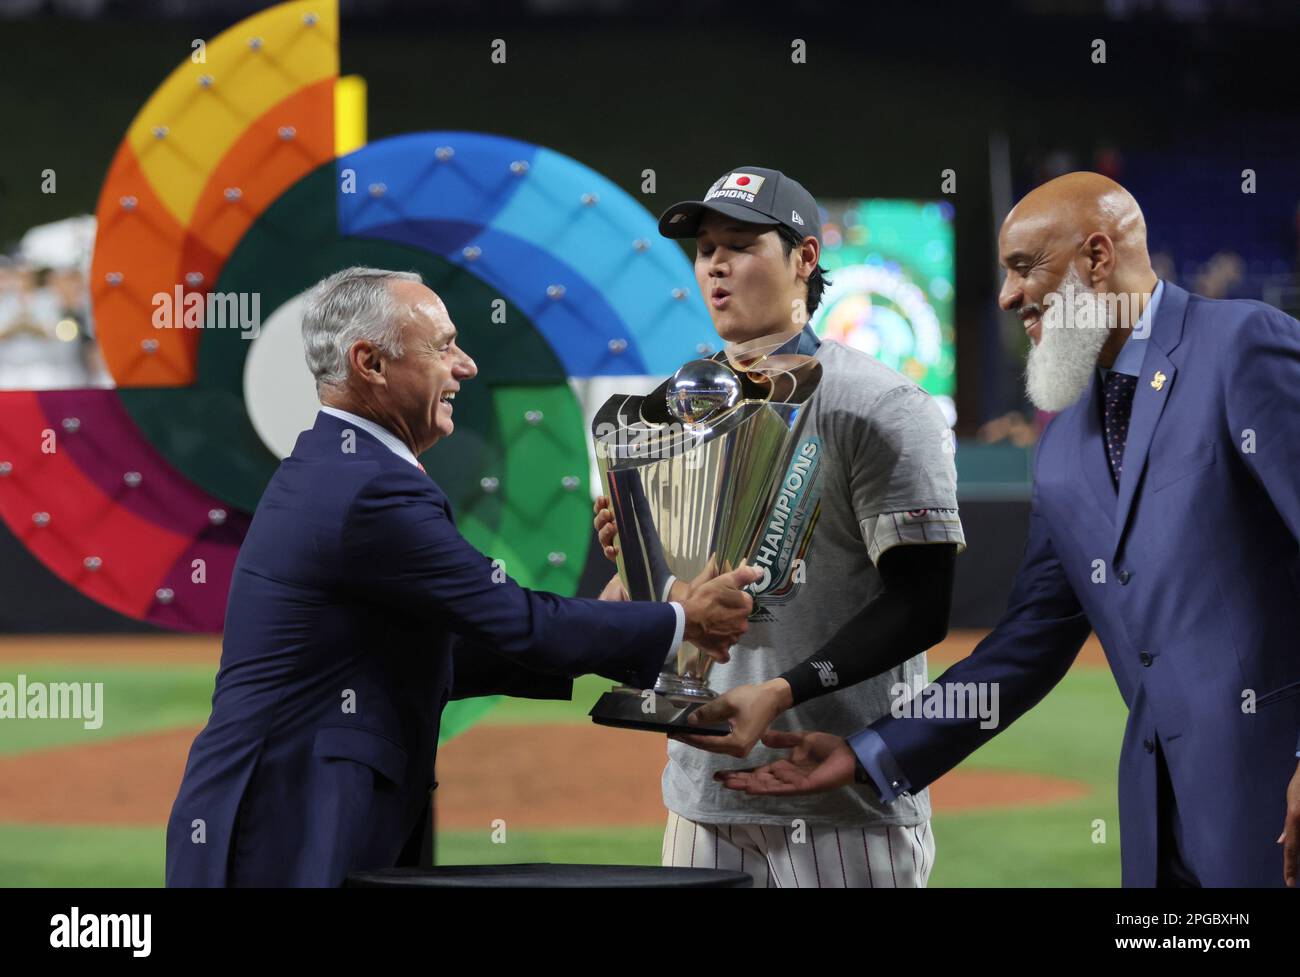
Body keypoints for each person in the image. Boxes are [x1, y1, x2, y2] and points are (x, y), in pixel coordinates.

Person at [719, 172, 1300, 889]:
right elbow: (1024, 647)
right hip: (1161, 824)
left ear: (1095, 258)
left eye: (1026, 267)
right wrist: (875, 751)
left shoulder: (1241, 344)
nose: (1006, 295)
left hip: (1280, 806)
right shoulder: (1062, 449)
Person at [166, 266, 760, 887]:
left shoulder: (341, 466)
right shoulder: (370, 487)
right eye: (443, 346)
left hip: (298, 809)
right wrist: (679, 619)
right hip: (291, 822)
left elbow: (432, 655)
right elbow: (517, 621)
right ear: (369, 362)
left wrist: (616, 618)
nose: (466, 365)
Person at [595, 168, 965, 887]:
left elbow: (922, 604)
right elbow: (675, 599)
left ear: (805, 258)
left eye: (739, 244)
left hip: (839, 800)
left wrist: (785, 689)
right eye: (704, 249)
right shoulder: (672, 407)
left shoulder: (881, 403)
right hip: (700, 795)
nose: (715, 265)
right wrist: (641, 571)